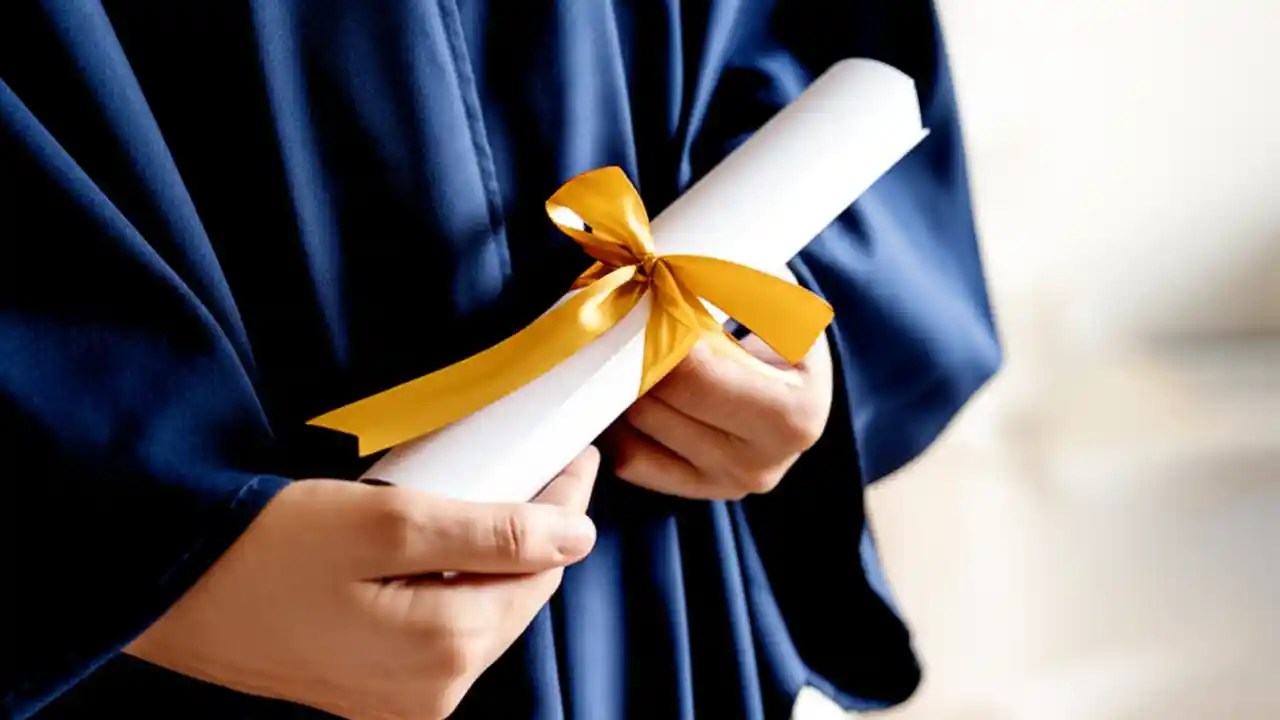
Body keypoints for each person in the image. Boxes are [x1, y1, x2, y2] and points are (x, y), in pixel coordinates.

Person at [0, 1, 1000, 718]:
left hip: (646, 567)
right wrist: (109, 563)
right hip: (188, 610)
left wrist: (772, 313)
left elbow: (824, 39)